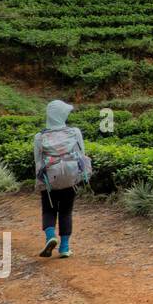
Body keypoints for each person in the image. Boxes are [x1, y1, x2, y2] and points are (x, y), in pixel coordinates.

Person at [32, 100, 89, 259]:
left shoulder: (39, 137)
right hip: (70, 178)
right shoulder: (74, 132)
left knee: (48, 209)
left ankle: (50, 236)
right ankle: (64, 247)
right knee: (66, 211)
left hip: (50, 179)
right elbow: (82, 154)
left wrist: (40, 182)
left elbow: (37, 161)